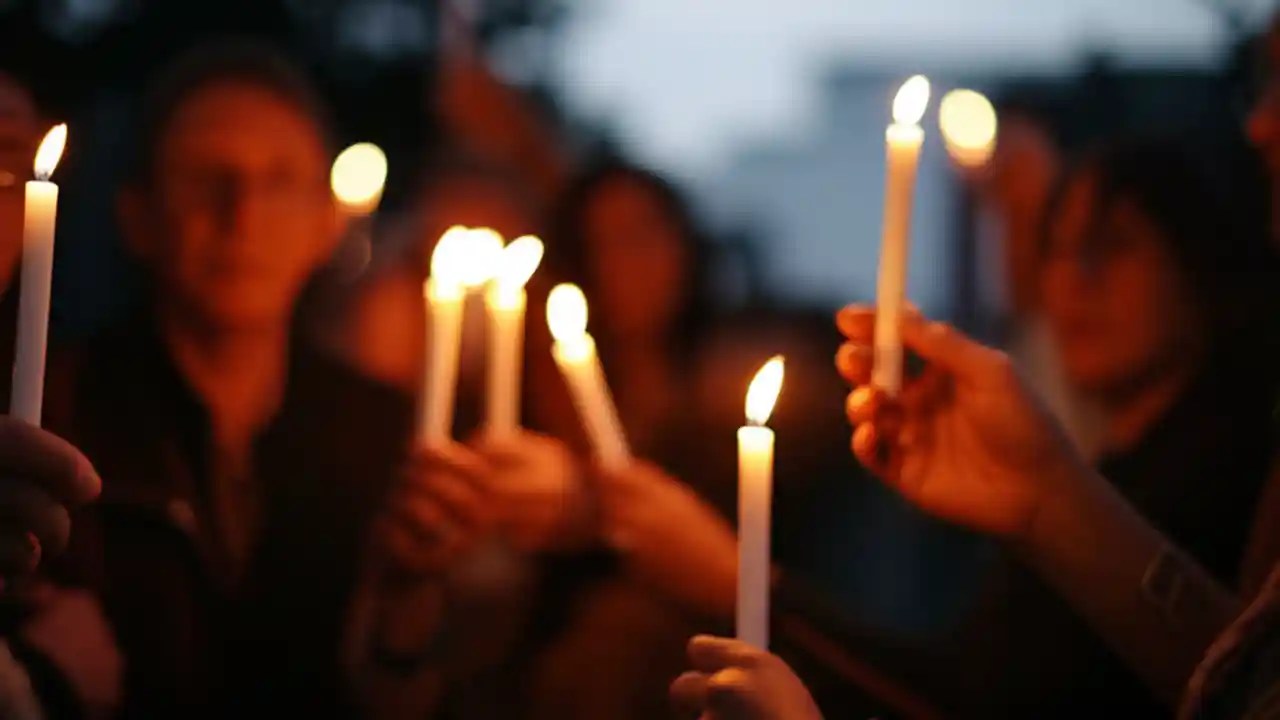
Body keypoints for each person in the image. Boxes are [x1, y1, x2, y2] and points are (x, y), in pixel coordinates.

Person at [35, 42, 434, 717]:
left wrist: (406, 620)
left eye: (279, 180)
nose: (242, 216)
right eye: (204, 179)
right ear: (138, 216)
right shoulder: (51, 414)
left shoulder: (385, 433)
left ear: (326, 224)